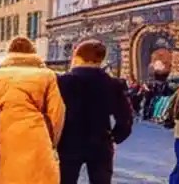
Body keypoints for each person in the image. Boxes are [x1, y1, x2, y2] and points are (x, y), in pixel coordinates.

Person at [0, 37, 65, 184]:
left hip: (5, 132)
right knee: (36, 176)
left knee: (6, 174)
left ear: (9, 52)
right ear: (33, 52)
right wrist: (52, 141)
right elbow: (57, 112)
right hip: (36, 133)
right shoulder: (47, 75)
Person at [57, 40, 134, 184]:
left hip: (68, 142)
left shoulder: (63, 82)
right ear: (101, 59)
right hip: (101, 142)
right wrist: (115, 137)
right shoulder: (112, 83)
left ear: (78, 57)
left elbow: (53, 112)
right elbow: (126, 118)